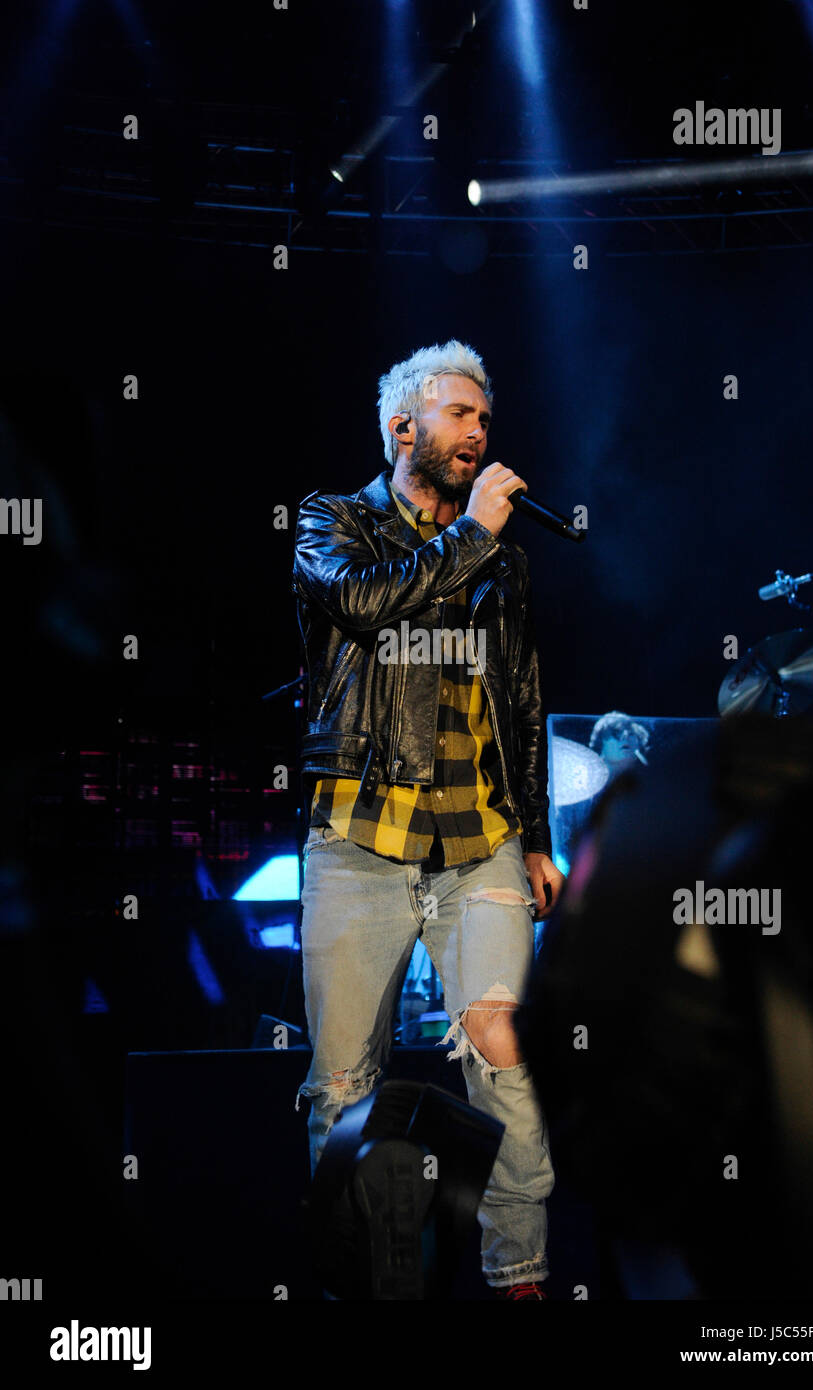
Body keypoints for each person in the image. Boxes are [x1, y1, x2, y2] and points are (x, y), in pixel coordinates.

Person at [292, 339, 565, 1298]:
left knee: (506, 1055)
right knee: (341, 1087)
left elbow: (523, 702)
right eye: (457, 414)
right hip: (360, 834)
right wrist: (474, 540)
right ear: (402, 425)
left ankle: (519, 1272)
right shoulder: (334, 523)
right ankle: (362, 1277)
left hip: (476, 839)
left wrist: (534, 833)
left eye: (484, 418)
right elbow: (365, 604)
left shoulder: (500, 558)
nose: (477, 433)